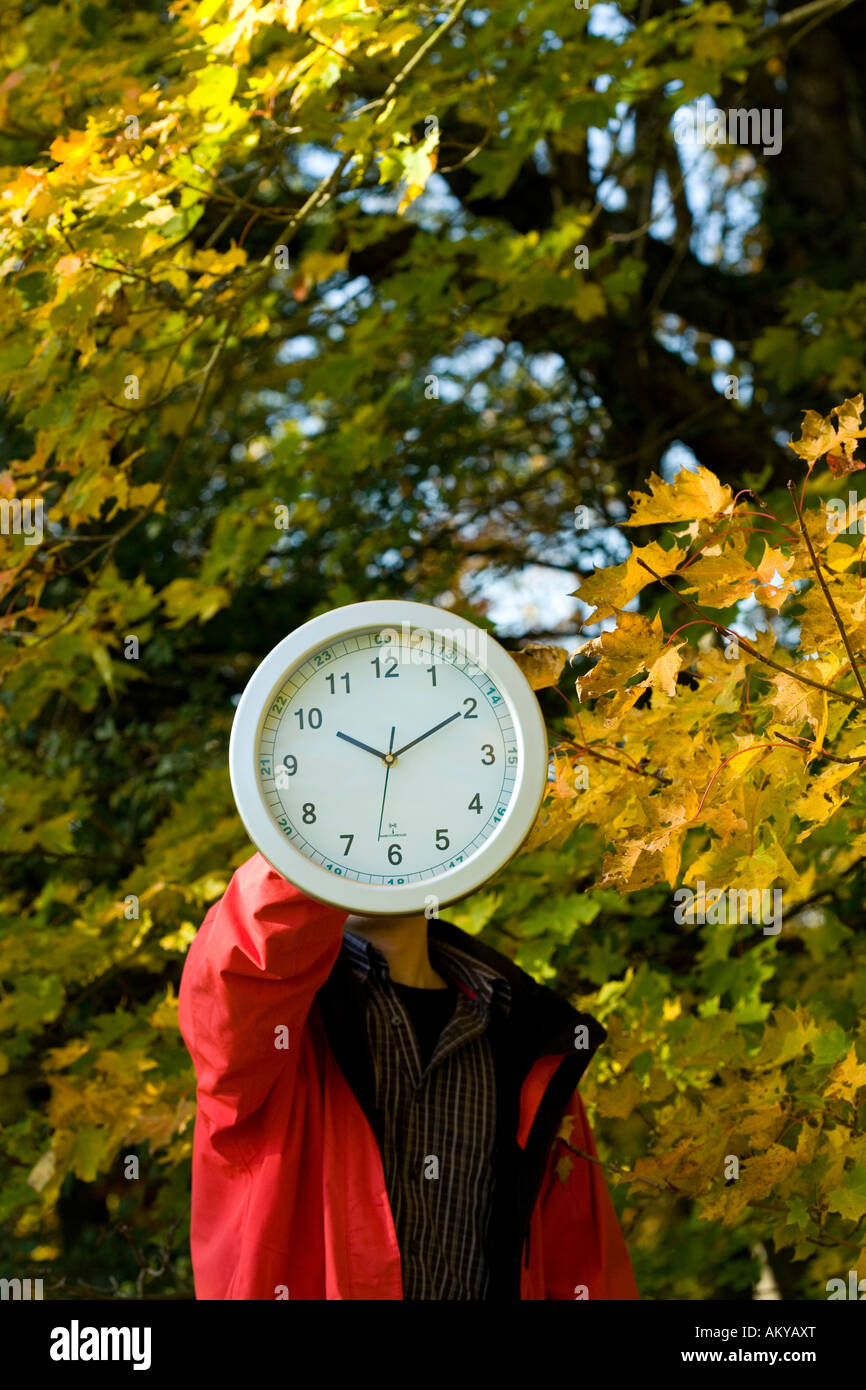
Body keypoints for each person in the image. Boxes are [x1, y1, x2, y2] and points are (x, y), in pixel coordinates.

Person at [178, 852, 639, 1300]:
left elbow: (583, 1270)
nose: (374, 842)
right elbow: (244, 961)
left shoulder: (527, 1040)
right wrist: (318, 841)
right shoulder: (277, 1032)